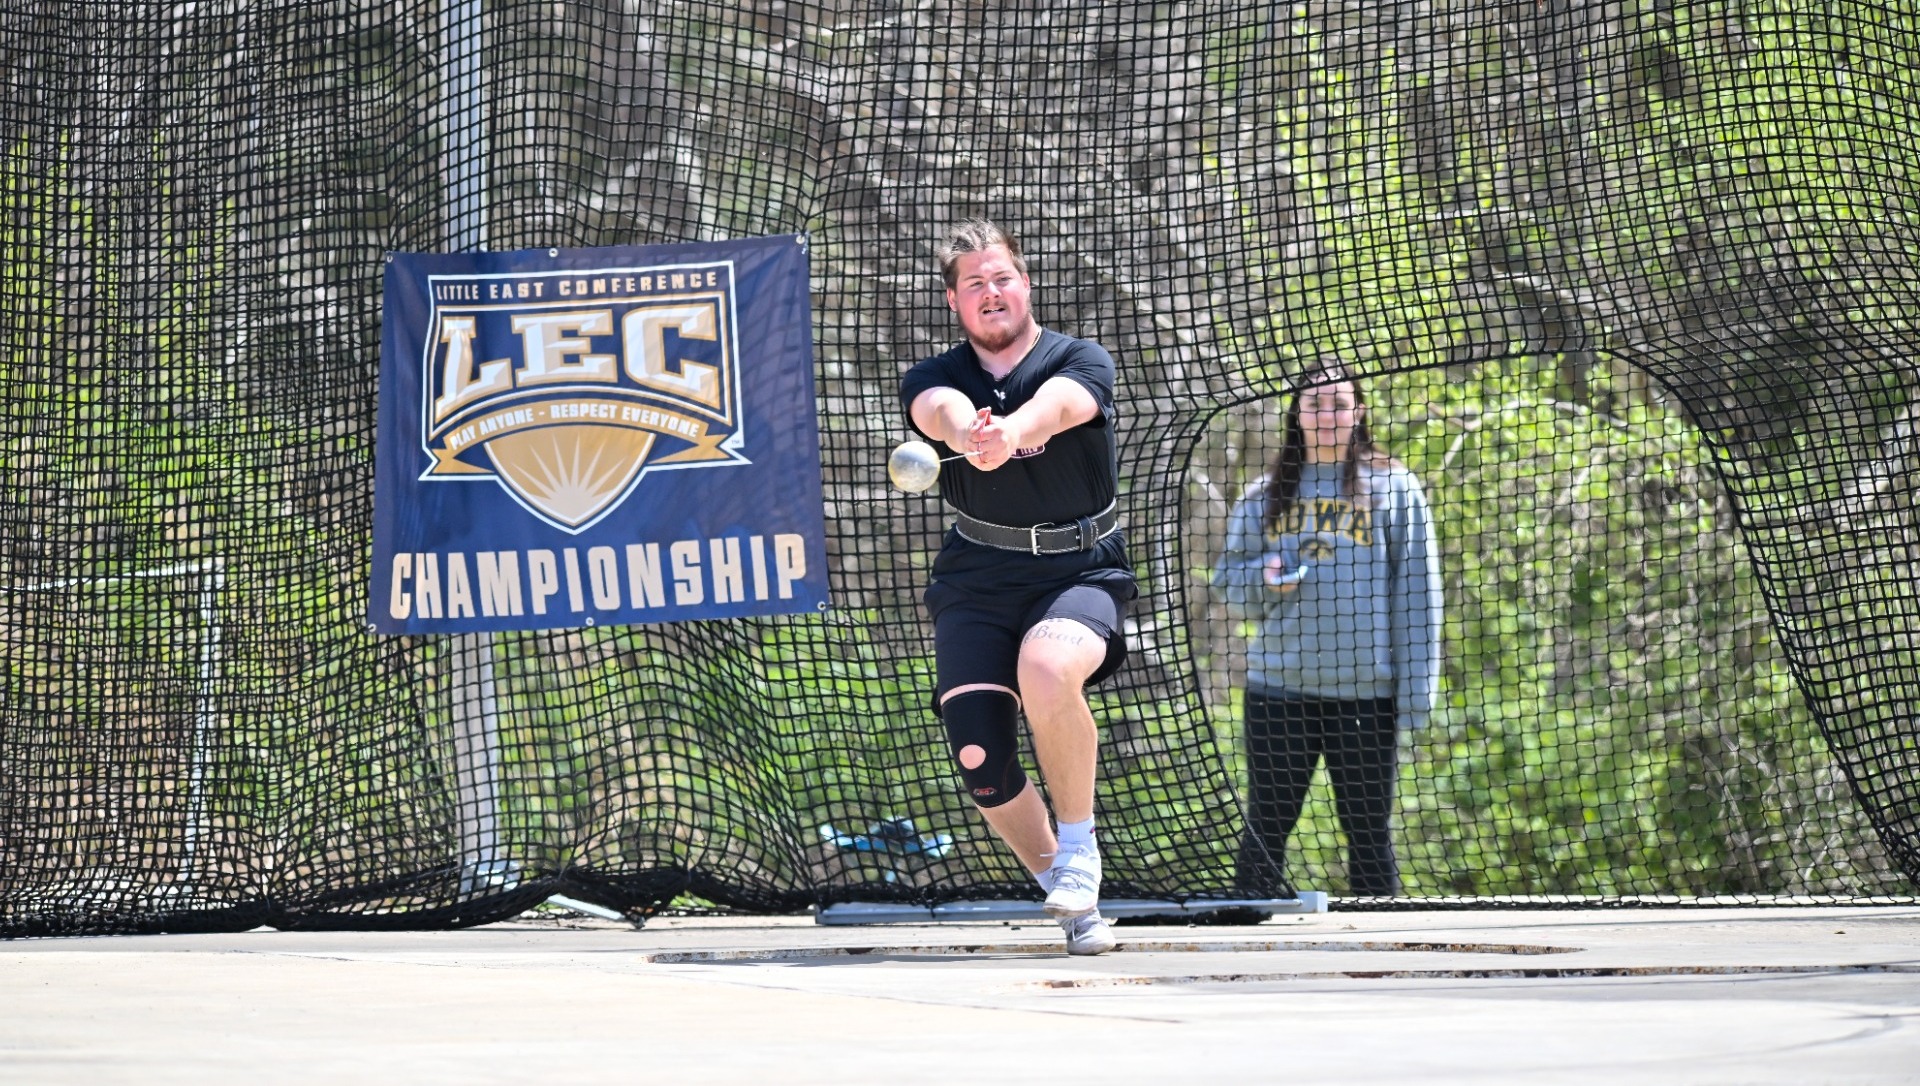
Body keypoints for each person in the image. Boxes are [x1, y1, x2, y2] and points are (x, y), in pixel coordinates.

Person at [898, 218, 1137, 955]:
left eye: (1001, 277)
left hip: (1079, 568)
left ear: (1024, 284)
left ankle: (1079, 846)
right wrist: (970, 429)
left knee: (1046, 666)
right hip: (977, 579)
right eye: (974, 284)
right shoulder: (934, 378)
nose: (991, 292)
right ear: (955, 303)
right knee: (978, 758)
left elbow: (1060, 406)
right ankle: (1073, 902)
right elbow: (935, 413)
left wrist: (1014, 430)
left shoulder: (1079, 358)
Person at [1211, 365, 1441, 897]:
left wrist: (1415, 695)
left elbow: (1418, 595)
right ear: (1297, 415)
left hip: (1365, 697)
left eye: (1339, 403)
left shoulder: (1394, 487)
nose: (1327, 416)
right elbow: (1228, 580)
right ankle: (1244, 956)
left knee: (1368, 835)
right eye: (1314, 405)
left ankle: (1386, 959)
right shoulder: (1266, 493)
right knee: (1266, 829)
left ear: (1358, 411)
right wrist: (1265, 580)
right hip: (1279, 690)